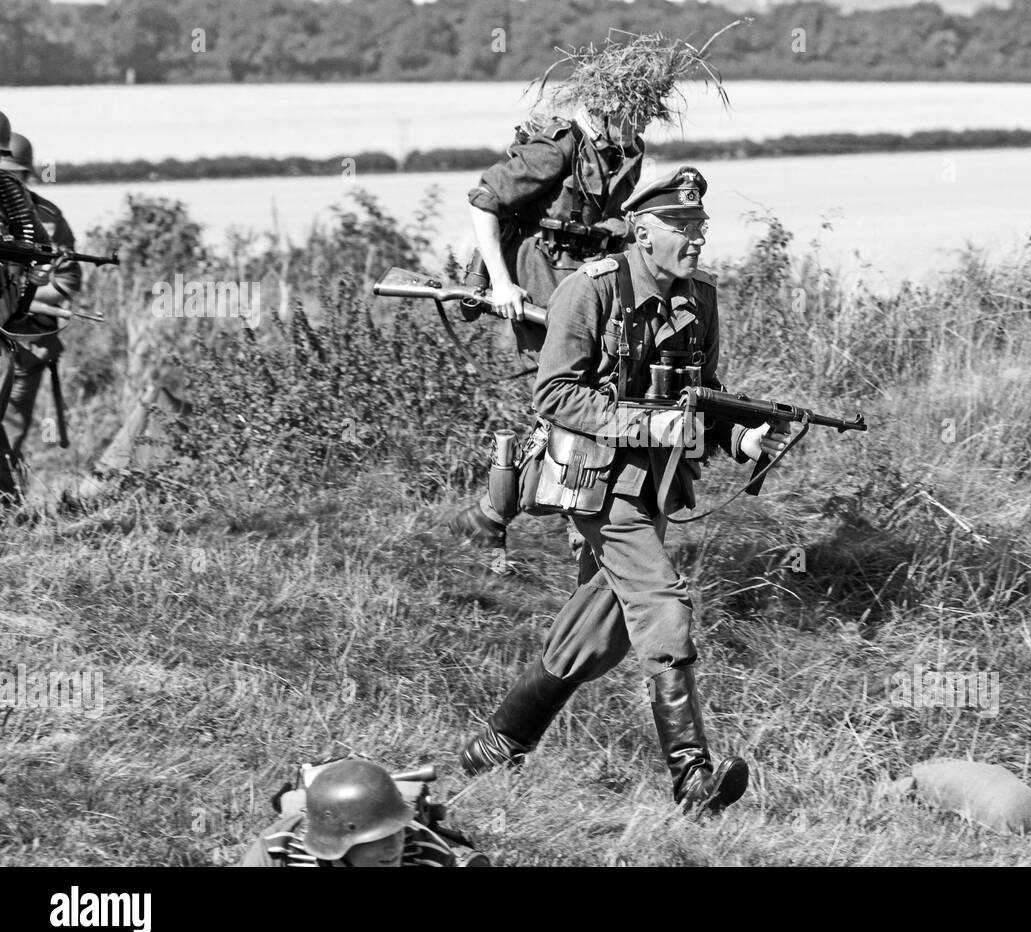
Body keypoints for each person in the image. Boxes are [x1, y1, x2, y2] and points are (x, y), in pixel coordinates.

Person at [457, 167, 793, 814]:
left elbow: (705, 398)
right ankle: (692, 777)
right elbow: (554, 394)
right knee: (662, 605)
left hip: (656, 486)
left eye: (701, 227)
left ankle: (499, 742)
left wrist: (739, 440)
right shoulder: (592, 290)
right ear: (643, 231)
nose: (696, 239)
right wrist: (649, 424)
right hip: (595, 479)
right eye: (683, 227)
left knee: (600, 633)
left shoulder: (701, 298)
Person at [447, 31, 734, 551]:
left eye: (646, 117)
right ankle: (546, 520)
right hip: (545, 286)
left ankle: (504, 515)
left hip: (600, 292)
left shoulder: (626, 149)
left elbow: (614, 221)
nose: (641, 126)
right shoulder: (556, 149)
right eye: (634, 114)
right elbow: (483, 203)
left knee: (605, 392)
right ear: (605, 108)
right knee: (565, 402)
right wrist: (504, 283)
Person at [1, 116, 80, 506]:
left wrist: (22, 289)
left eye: (14, 172)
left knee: (10, 431)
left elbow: (65, 285)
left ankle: (7, 507)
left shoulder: (46, 219)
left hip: (28, 344)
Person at [238, 758, 485, 868]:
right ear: (336, 845)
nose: (394, 846)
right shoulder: (277, 852)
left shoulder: (429, 858)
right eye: (377, 838)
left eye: (397, 830)